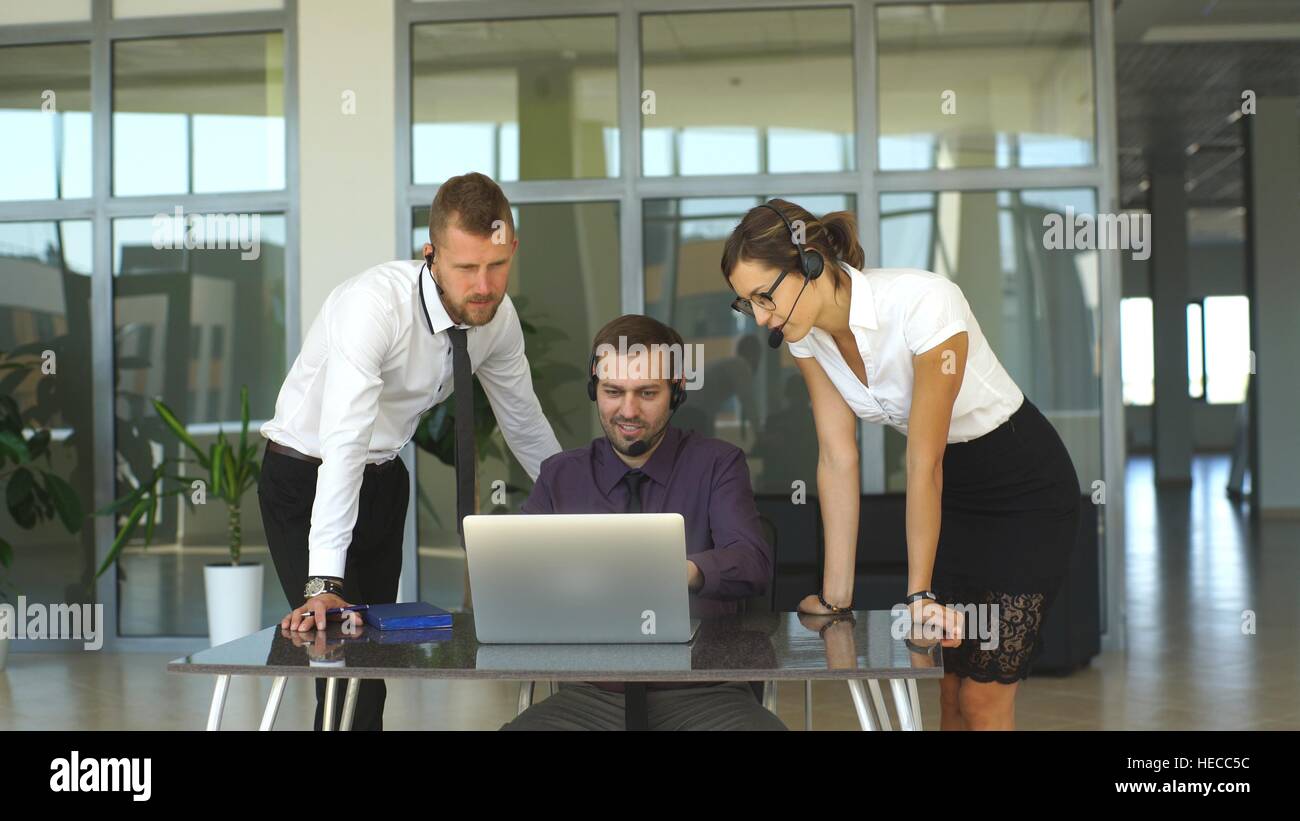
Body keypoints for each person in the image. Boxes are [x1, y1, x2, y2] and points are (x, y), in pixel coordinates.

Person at [721, 199, 1081, 730]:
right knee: (950, 691)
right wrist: (836, 596)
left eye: (764, 297)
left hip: (1023, 491)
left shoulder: (924, 302)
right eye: (745, 304)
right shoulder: (807, 337)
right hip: (951, 493)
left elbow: (923, 458)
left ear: (812, 260)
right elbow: (838, 456)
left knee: (984, 698)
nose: (761, 319)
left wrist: (920, 595)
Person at [258, 172, 561, 730]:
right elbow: (343, 444)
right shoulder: (373, 307)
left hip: (382, 478)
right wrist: (323, 584)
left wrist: (580, 507)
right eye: (466, 268)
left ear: (512, 247)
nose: (484, 285)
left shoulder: (497, 319)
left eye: (496, 265)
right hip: (304, 477)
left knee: (372, 655)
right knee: (334, 649)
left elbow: (525, 423)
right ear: (431, 255)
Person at [500, 314, 786, 731]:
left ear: (676, 393)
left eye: (647, 392)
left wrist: (682, 571)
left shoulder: (718, 465)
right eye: (613, 391)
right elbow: (516, 575)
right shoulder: (560, 475)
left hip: (703, 692)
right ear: (593, 390)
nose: (628, 410)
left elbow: (751, 563)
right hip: (589, 696)